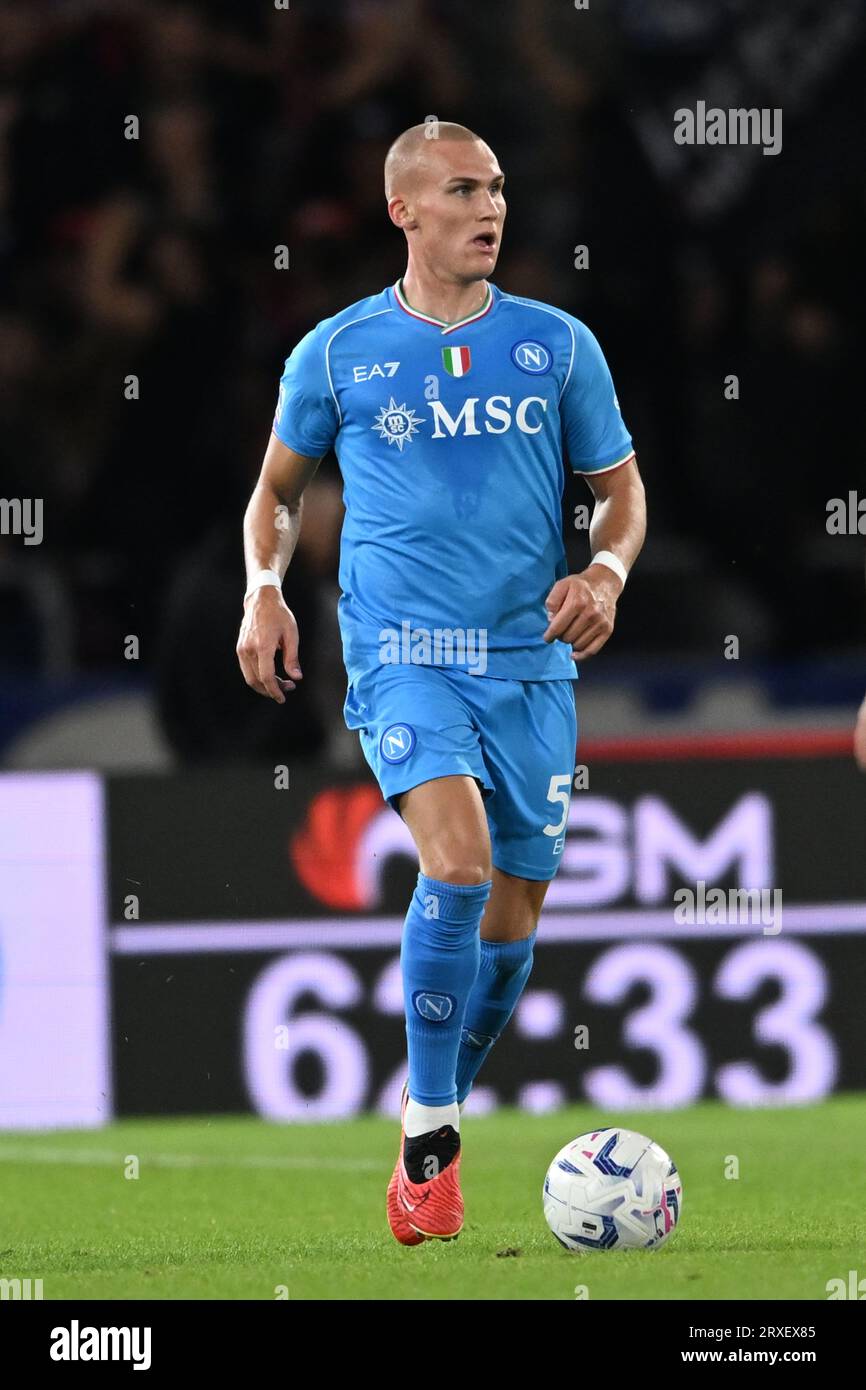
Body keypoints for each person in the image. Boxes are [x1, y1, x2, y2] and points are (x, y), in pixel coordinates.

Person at [236, 122, 646, 1244]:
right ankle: (430, 1144)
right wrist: (261, 589)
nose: (491, 206)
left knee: (510, 928)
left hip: (532, 667)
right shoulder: (335, 351)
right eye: (464, 189)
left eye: (500, 187)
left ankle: (432, 1106)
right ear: (403, 210)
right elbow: (276, 490)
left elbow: (619, 491)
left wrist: (604, 571)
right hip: (402, 657)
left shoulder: (556, 347)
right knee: (455, 867)